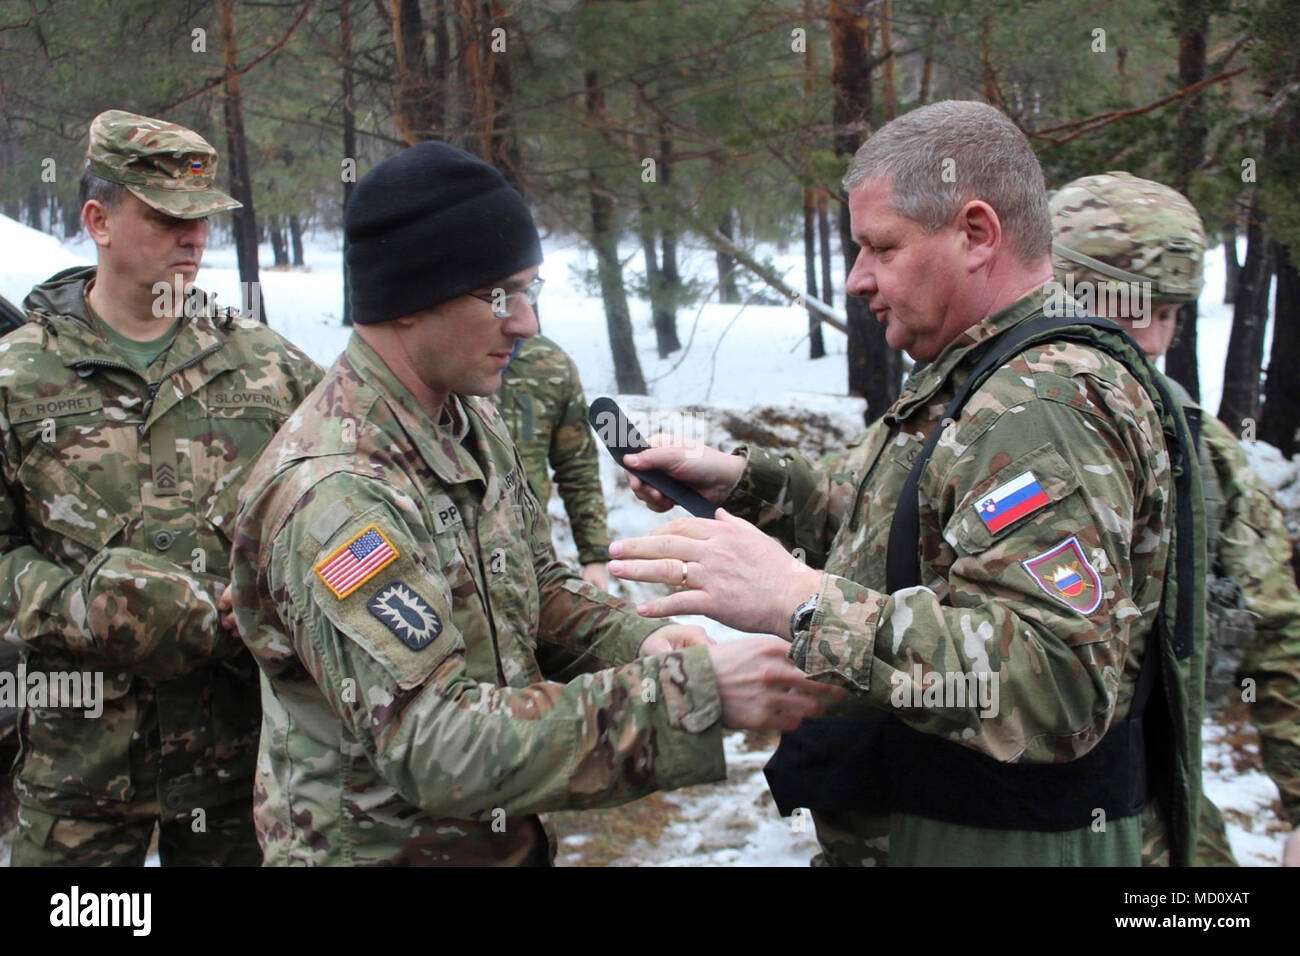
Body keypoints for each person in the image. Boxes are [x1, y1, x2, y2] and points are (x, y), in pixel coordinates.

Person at [607, 99, 1206, 866]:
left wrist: (802, 602)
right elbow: (893, 515)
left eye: (879, 248)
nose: (857, 280)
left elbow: (1056, 685)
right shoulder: (979, 371)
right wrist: (737, 481)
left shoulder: (1041, 405)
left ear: (977, 234)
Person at [228, 141, 835, 866]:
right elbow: (433, 742)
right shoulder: (334, 496)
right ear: (411, 296)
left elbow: (531, 586)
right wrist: (688, 694)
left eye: (531, 291)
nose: (527, 323)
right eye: (501, 295)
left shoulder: (463, 420)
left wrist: (635, 642)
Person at [0, 109, 322, 865]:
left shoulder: (269, 367)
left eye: (202, 218)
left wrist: (288, 595)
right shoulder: (17, 378)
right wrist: (84, 606)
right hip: (79, 769)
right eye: (166, 216)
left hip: (239, 765)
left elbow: (341, 514)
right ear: (97, 221)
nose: (194, 238)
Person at [1051, 171, 1300, 867]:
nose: (1152, 340)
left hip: (1157, 822)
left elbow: (1275, 626)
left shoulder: (1199, 447)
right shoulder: (966, 424)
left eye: (1168, 314)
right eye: (1130, 311)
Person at [493, 334, 612, 590]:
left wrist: (595, 556)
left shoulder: (551, 365)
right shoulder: (438, 360)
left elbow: (578, 466)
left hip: (529, 557)